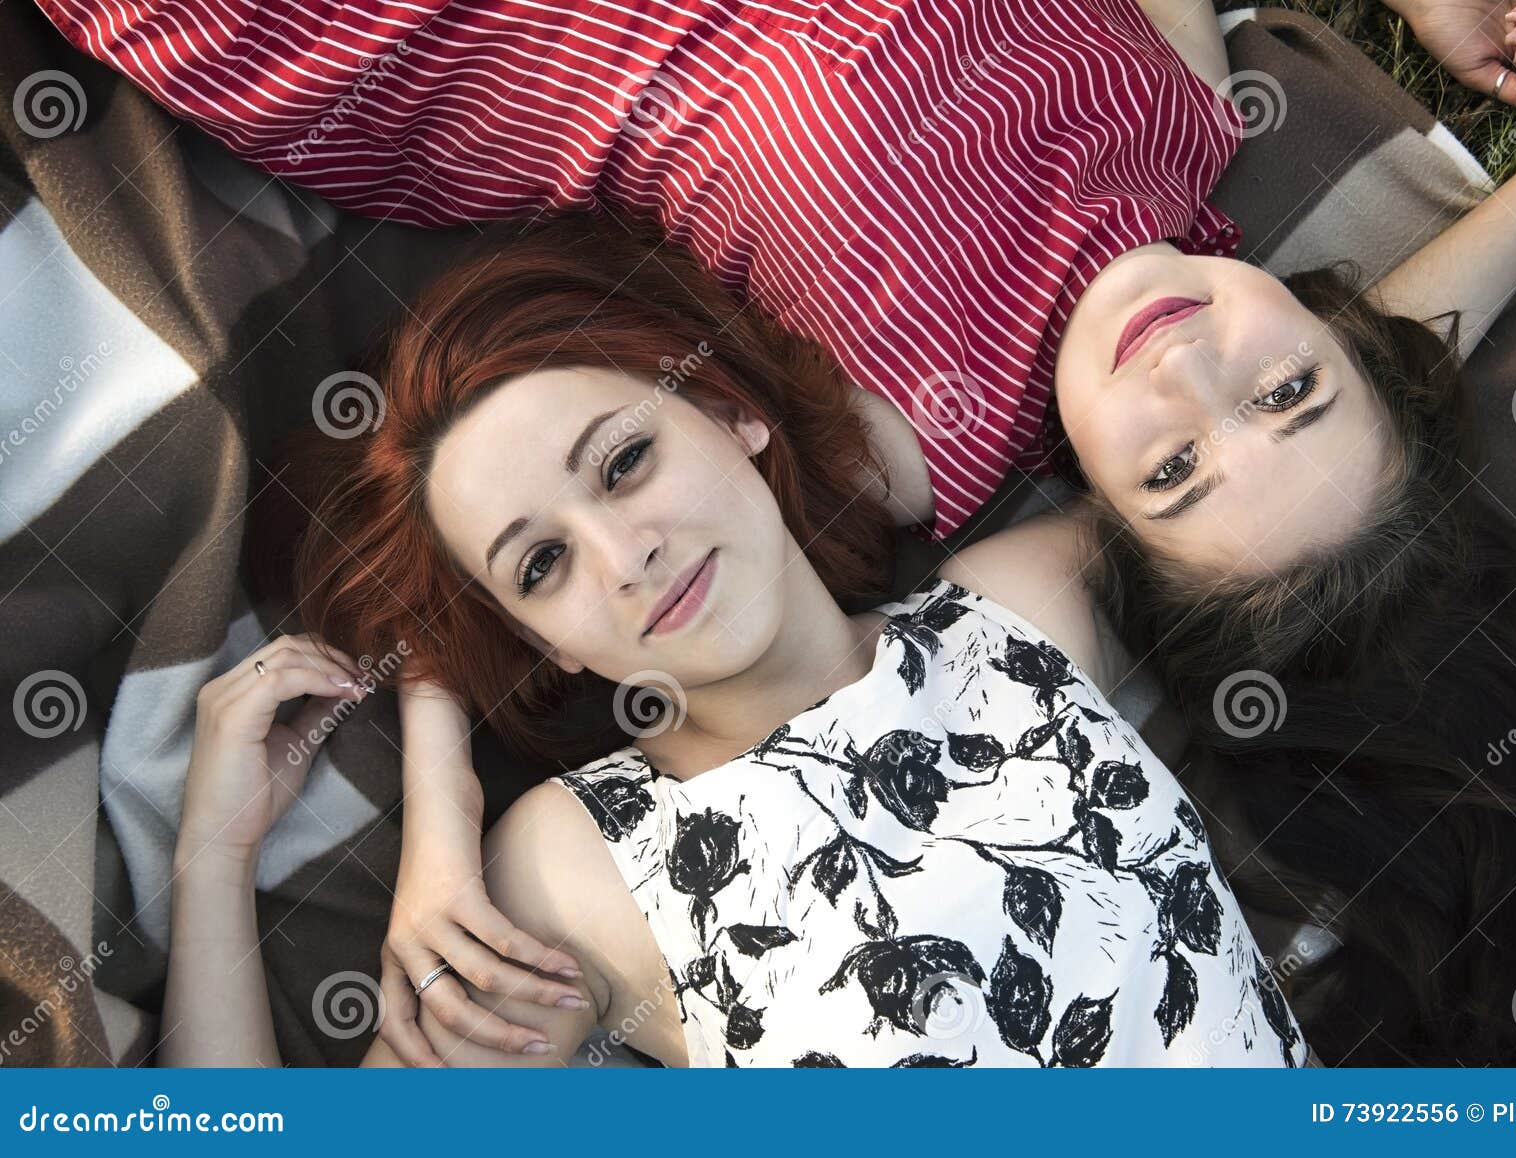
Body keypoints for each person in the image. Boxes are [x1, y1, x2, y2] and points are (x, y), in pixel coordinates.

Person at [164, 212, 1311, 1065]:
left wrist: (1496, 201)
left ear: (732, 414)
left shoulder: (1017, 603)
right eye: (543, 566)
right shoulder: (579, 870)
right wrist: (215, 855)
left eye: (623, 463)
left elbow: (1320, 451)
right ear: (545, 641)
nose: (626, 559)